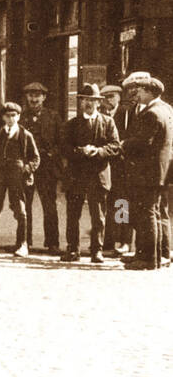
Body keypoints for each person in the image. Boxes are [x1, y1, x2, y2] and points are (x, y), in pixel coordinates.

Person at [61, 83, 122, 263]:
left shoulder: (107, 122)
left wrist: (99, 151)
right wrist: (80, 151)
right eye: (86, 100)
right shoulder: (72, 124)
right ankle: (73, 250)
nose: (89, 103)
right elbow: (64, 148)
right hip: (76, 175)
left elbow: (115, 146)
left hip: (98, 175)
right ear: (81, 102)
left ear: (98, 103)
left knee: (98, 216)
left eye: (93, 100)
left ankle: (97, 250)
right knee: (73, 215)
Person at [119, 74, 173, 270]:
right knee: (154, 214)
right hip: (157, 172)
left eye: (141, 90)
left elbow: (143, 141)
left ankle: (148, 259)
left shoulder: (152, 113)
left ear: (150, 92)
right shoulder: (165, 109)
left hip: (146, 172)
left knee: (147, 214)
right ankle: (155, 255)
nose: (137, 93)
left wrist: (124, 144)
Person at [0, 102, 40, 257]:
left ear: (18, 117)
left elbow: (36, 158)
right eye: (7, 116)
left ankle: (22, 244)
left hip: (17, 177)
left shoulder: (25, 135)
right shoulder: (0, 134)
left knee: (20, 209)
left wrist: (26, 169)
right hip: (0, 176)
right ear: (3, 117)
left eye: (13, 116)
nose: (10, 119)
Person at [20, 82, 62, 253]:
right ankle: (24, 241)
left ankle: (52, 243)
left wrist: (52, 154)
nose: (33, 99)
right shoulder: (21, 117)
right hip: (27, 167)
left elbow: (62, 141)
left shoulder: (53, 117)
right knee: (24, 204)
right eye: (30, 95)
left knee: (49, 205)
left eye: (37, 95)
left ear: (44, 97)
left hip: (46, 167)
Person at [101, 83, 135, 256]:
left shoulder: (127, 114)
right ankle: (108, 242)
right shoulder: (101, 115)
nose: (109, 101)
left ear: (119, 98)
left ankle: (124, 241)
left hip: (122, 166)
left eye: (112, 97)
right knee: (107, 204)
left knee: (122, 204)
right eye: (105, 97)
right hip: (106, 166)